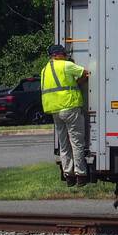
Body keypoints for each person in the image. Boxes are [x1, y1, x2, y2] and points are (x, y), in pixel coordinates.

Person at [41, 43, 91, 185]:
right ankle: (80, 175)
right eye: (63, 53)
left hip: (54, 110)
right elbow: (85, 73)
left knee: (64, 144)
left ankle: (68, 175)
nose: (66, 56)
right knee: (76, 142)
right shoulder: (65, 65)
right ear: (57, 55)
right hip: (69, 107)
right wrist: (78, 83)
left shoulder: (44, 70)